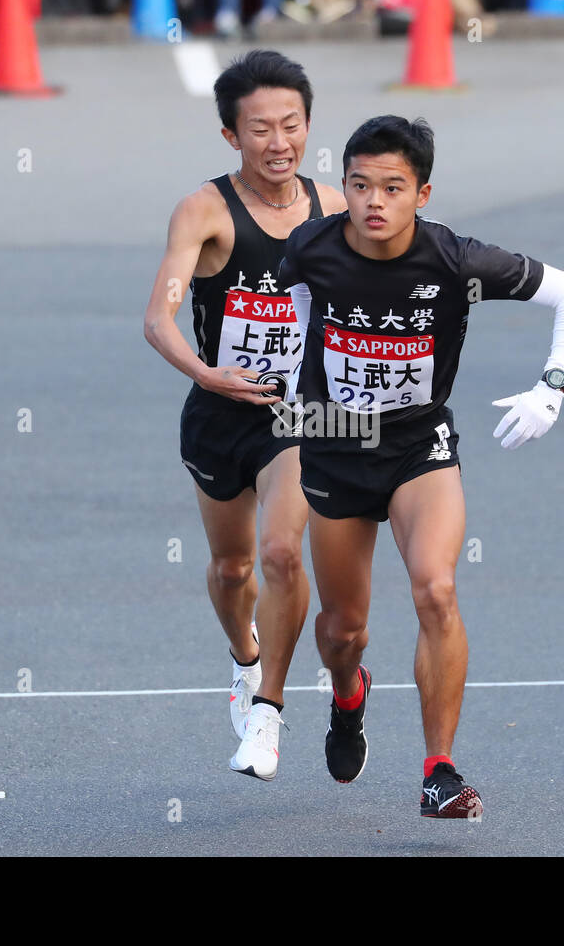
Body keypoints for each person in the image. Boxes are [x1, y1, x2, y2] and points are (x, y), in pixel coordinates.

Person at [277, 116, 564, 817]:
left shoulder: (455, 260)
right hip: (334, 446)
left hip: (419, 447)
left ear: (423, 192)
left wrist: (553, 386)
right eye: (359, 184)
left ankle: (439, 771)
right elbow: (298, 321)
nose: (373, 202)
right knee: (341, 630)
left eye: (393, 187)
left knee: (437, 591)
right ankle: (347, 693)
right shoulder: (311, 248)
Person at [142, 50, 347, 780]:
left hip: (299, 418)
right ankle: (244, 658)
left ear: (308, 126)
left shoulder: (336, 209)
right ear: (231, 135)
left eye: (291, 125)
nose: (278, 142)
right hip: (219, 412)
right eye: (260, 128)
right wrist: (206, 373)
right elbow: (159, 318)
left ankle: (269, 710)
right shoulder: (205, 209)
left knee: (282, 554)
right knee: (232, 571)